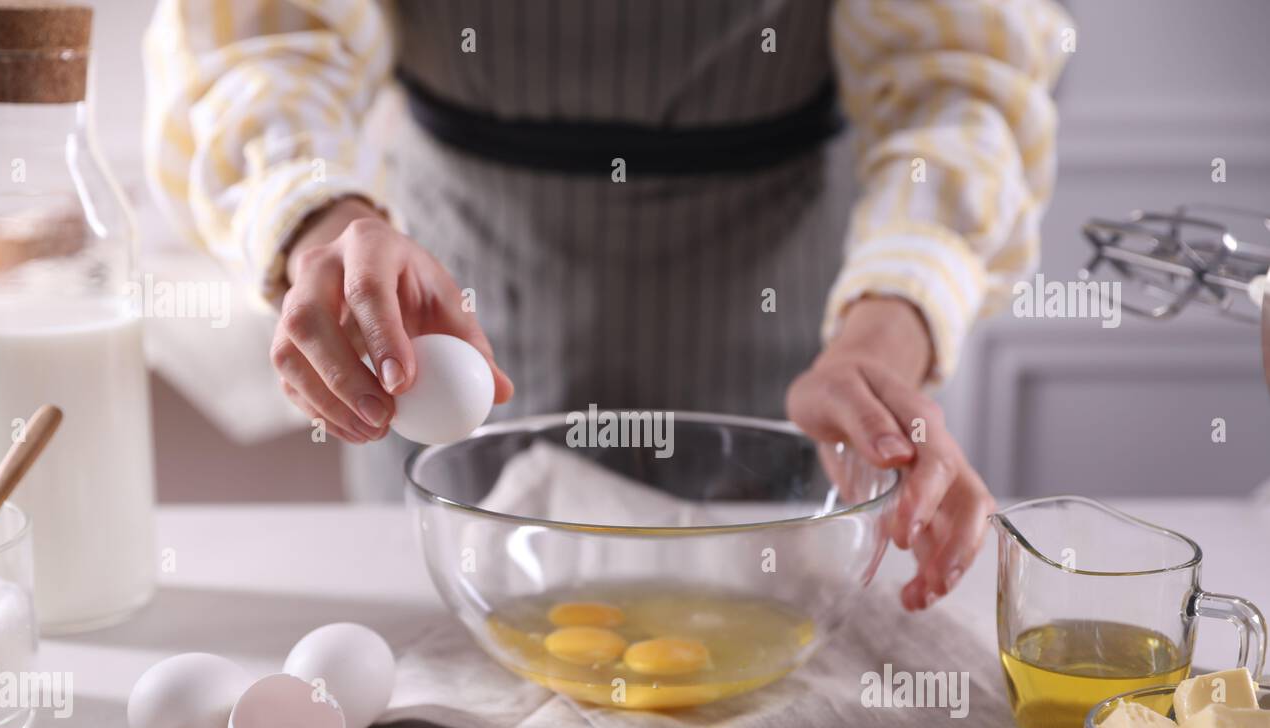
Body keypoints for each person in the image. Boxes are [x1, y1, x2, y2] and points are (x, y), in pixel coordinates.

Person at [145, 0, 1072, 610]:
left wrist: (884, 334)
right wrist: (322, 224)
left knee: (747, 660)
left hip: (781, 350)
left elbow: (961, 83)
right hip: (439, 305)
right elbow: (260, 36)